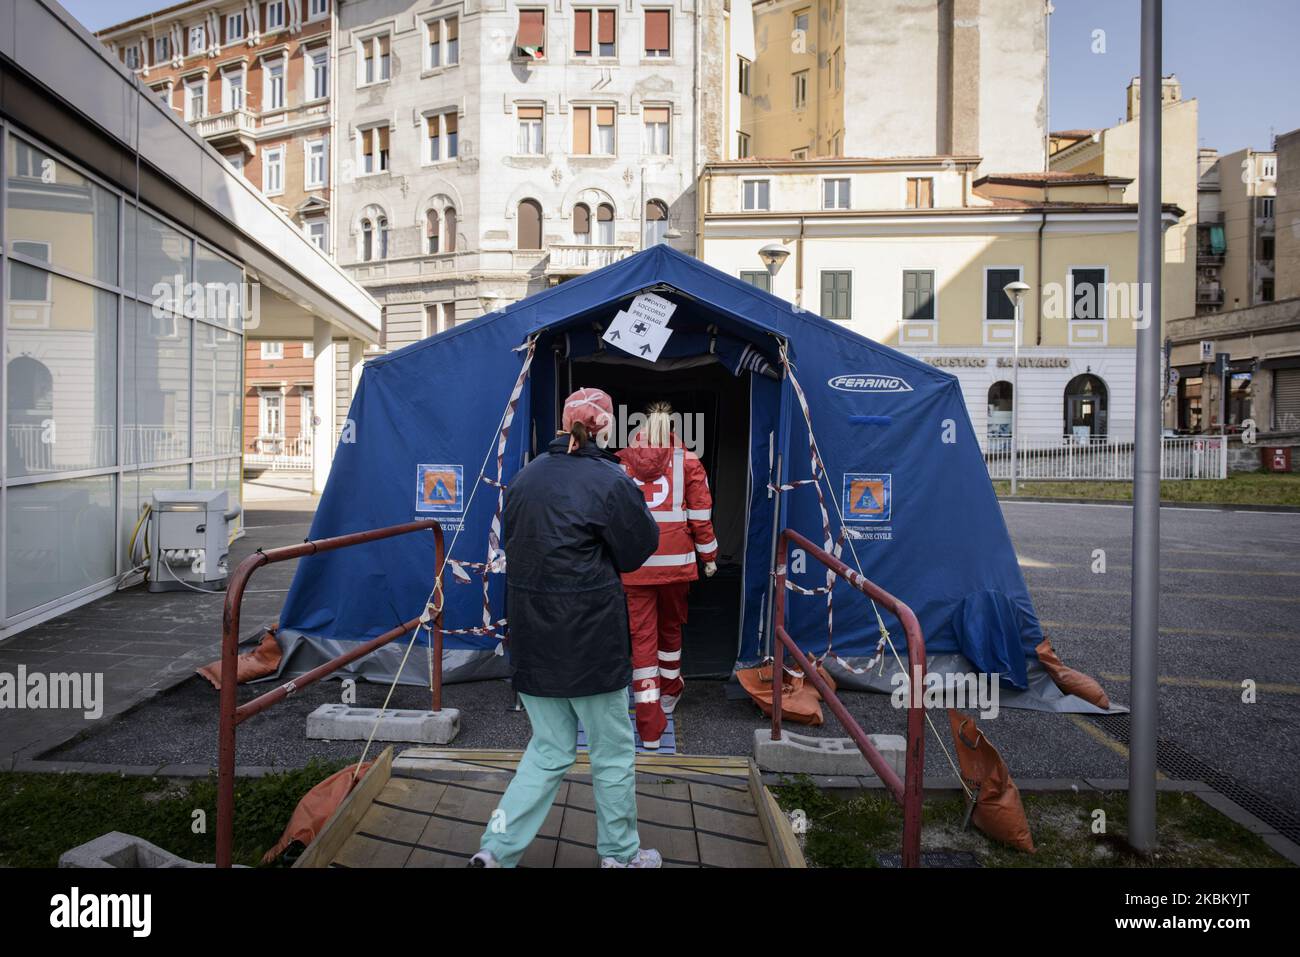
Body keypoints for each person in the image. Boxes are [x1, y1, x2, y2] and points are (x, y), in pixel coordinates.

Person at [470, 387, 661, 869]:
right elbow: (638, 550)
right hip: (592, 640)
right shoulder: (610, 481)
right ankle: (619, 855)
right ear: (603, 427)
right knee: (612, 755)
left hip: (533, 638)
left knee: (547, 751)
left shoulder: (524, 478)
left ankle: (494, 849)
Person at [617, 401, 718, 749]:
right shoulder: (689, 460)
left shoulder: (623, 462)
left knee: (642, 640)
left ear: (640, 432)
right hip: (676, 566)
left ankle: (648, 729)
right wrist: (709, 557)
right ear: (672, 431)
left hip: (635, 566)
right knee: (671, 628)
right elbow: (701, 516)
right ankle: (670, 693)